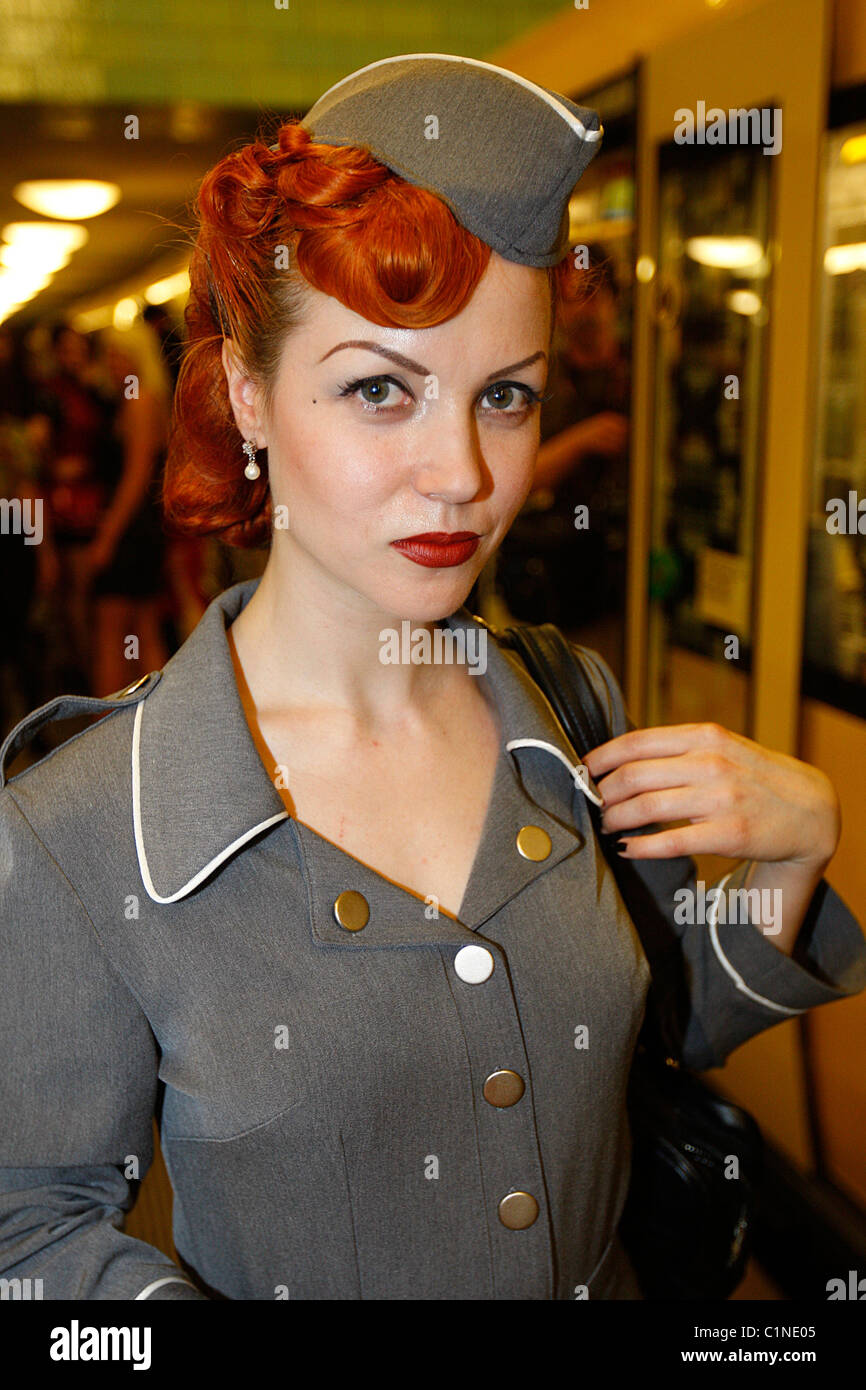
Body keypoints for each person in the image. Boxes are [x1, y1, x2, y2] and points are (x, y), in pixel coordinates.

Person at [1, 54, 864, 1302]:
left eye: (503, 397)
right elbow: (30, 1233)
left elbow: (647, 1024)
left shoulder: (569, 714)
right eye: (376, 390)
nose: (459, 472)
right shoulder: (83, 831)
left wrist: (789, 862)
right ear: (248, 391)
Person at [79, 322, 171, 696]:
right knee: (140, 627)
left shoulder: (140, 402)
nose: (114, 363)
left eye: (122, 355)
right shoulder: (134, 400)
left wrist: (107, 536)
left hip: (132, 530)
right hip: (140, 528)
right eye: (110, 355)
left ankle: (109, 726)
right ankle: (159, 724)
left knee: (112, 632)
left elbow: (136, 476)